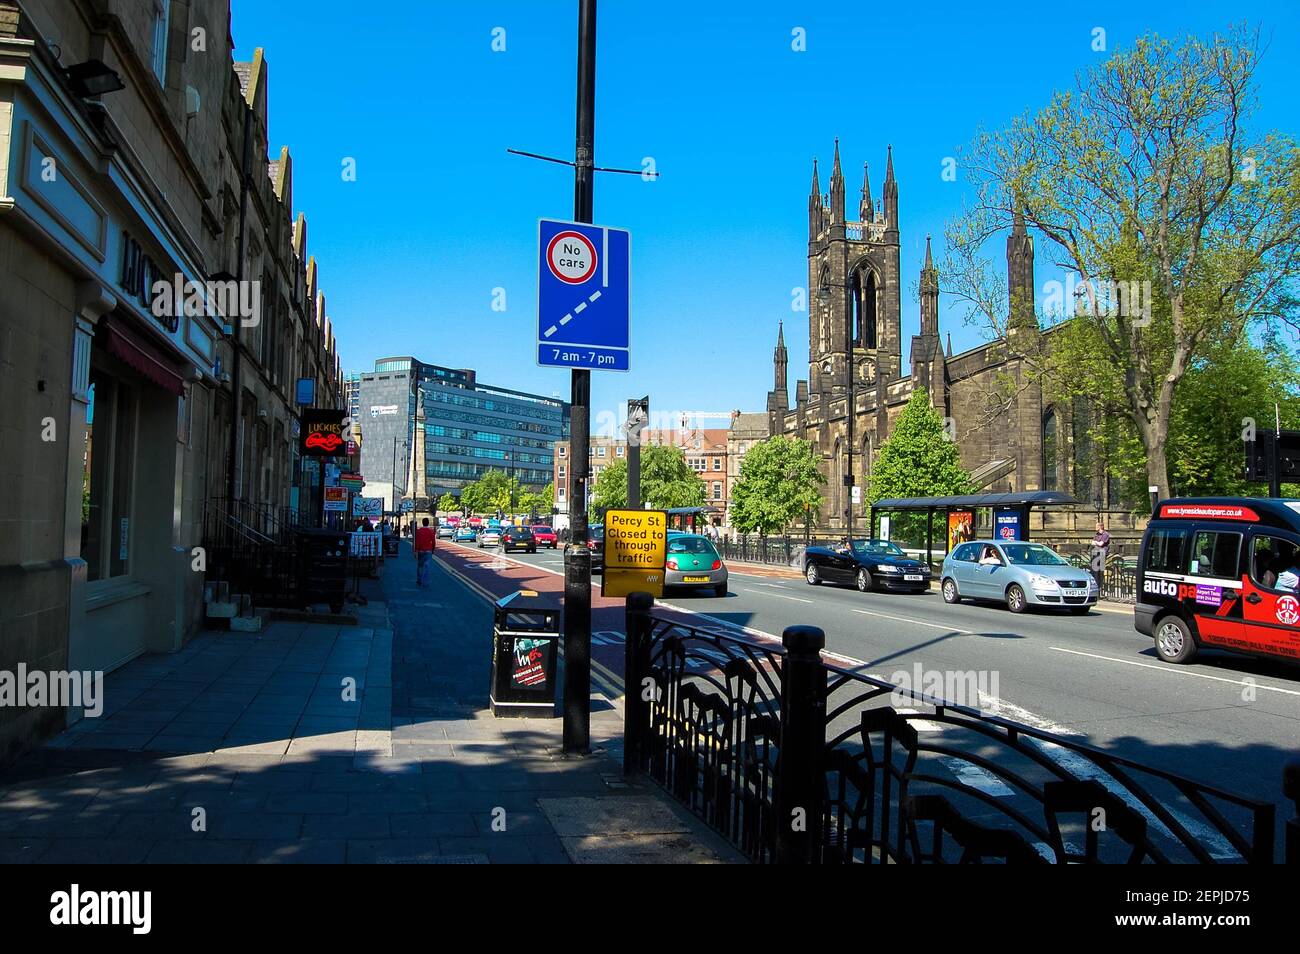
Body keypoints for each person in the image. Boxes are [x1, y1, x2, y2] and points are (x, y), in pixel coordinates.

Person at [414, 517, 436, 587]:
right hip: (428, 551)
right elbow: (433, 541)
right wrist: (433, 549)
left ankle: (419, 580)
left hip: (420, 550)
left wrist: (416, 550)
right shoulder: (431, 531)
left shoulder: (419, 531)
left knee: (420, 565)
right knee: (427, 567)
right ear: (428, 523)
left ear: (422, 523)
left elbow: (417, 542)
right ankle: (425, 581)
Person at [1090, 521, 1111, 591]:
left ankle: (1100, 586)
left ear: (1100, 527)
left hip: (1102, 553)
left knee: (1100, 570)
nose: (1095, 527)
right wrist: (1096, 543)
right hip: (1095, 552)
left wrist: (1096, 542)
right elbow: (1092, 543)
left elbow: (1101, 544)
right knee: (1094, 569)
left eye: (1096, 526)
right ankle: (1096, 585)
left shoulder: (1105, 534)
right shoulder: (1097, 534)